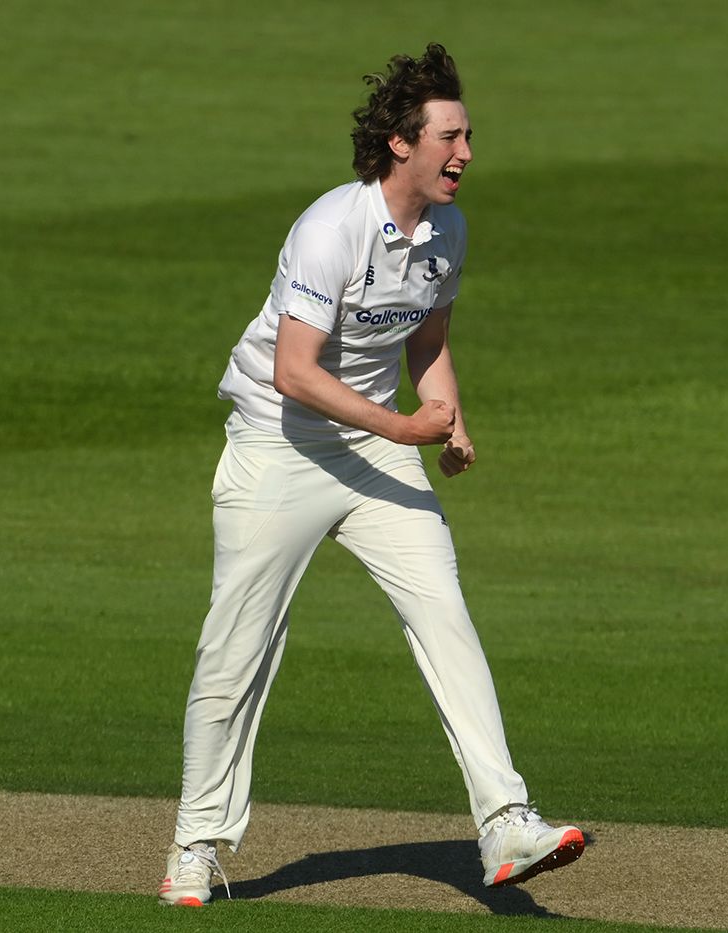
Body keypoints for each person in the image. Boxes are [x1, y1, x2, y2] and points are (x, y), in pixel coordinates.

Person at [157, 43, 584, 908]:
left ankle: (504, 821)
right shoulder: (330, 229)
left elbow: (425, 340)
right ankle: (195, 847)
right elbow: (295, 371)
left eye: (469, 136)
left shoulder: (448, 230)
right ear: (402, 142)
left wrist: (449, 420)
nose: (465, 153)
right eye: (450, 137)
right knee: (236, 651)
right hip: (281, 444)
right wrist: (404, 425)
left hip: (376, 448)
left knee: (443, 612)